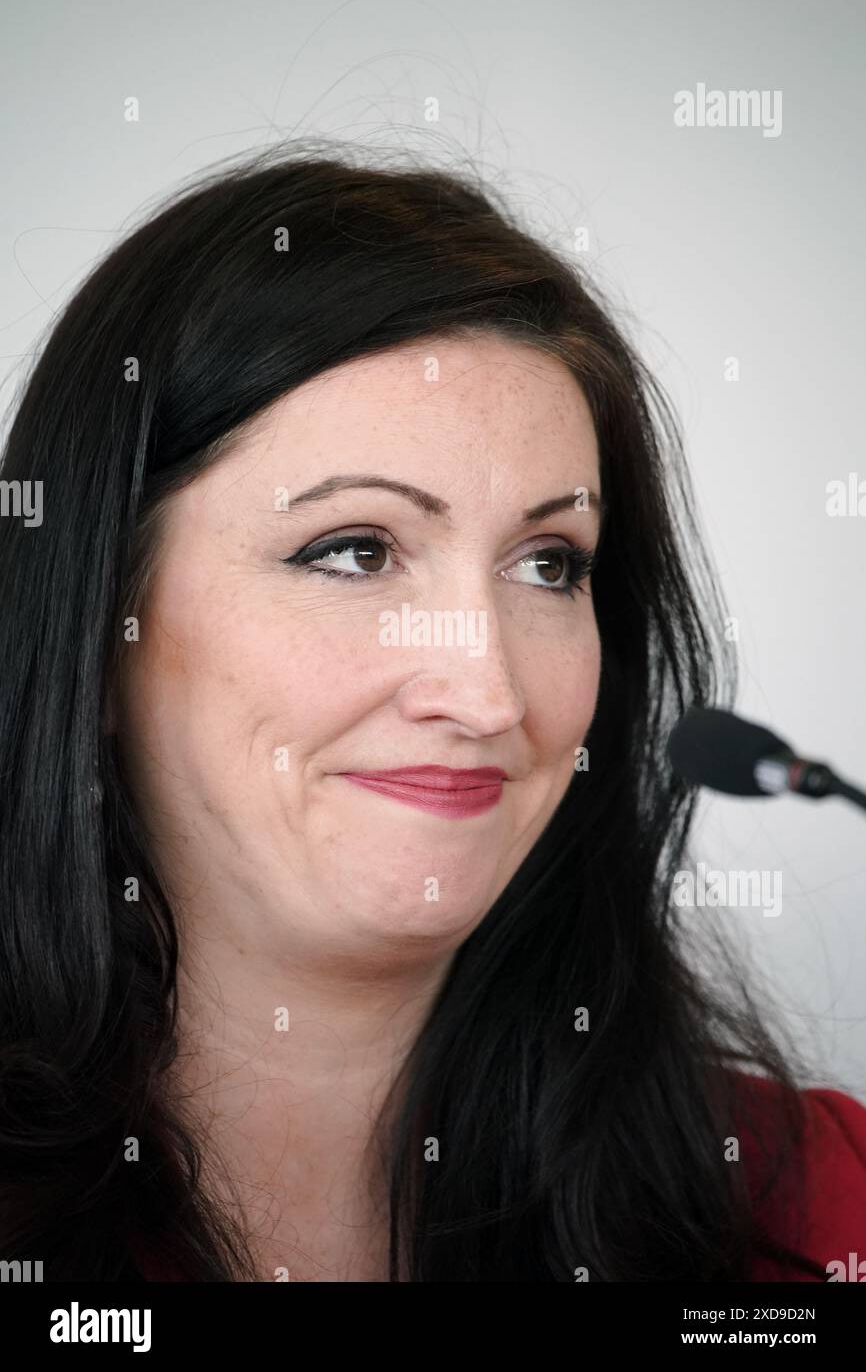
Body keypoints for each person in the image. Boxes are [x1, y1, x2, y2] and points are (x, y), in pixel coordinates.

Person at [1, 139, 864, 1282]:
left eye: (549, 564)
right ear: (101, 622)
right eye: (354, 550)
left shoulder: (813, 1205)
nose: (487, 691)